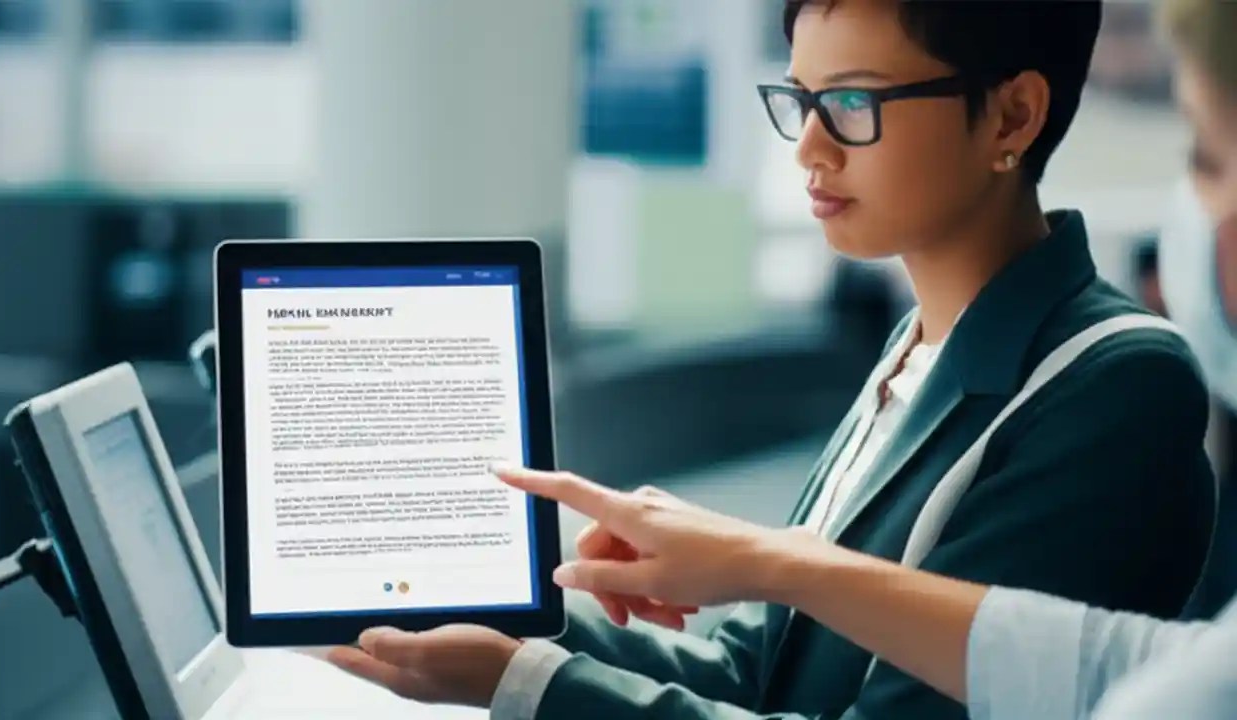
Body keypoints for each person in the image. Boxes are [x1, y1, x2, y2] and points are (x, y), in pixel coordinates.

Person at [325, 1, 1219, 718]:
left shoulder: (1114, 384)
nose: (808, 146)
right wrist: (508, 630)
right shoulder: (917, 346)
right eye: (801, 99)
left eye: (855, 105)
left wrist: (519, 684)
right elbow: (764, 669)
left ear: (1013, 114)